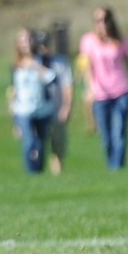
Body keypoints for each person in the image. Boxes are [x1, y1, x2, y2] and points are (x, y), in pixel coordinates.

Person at [79, 7, 128, 170]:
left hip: (121, 90)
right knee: (106, 138)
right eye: (98, 20)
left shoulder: (120, 40)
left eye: (105, 19)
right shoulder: (88, 41)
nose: (102, 23)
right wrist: (90, 88)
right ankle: (112, 166)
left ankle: (118, 168)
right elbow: (87, 67)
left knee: (120, 133)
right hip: (101, 94)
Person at [6, 29, 56, 175]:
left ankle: (38, 171)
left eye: (28, 40)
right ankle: (31, 172)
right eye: (22, 41)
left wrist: (36, 66)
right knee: (29, 143)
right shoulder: (16, 65)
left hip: (42, 109)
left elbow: (51, 79)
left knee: (40, 144)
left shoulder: (43, 60)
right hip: (23, 110)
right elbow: (12, 91)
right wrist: (13, 117)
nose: (26, 44)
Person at [40, 30, 75, 175]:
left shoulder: (60, 62)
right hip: (38, 110)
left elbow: (67, 86)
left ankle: (57, 174)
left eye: (46, 44)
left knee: (58, 146)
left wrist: (67, 107)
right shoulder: (32, 63)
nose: (44, 48)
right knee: (38, 145)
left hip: (56, 109)